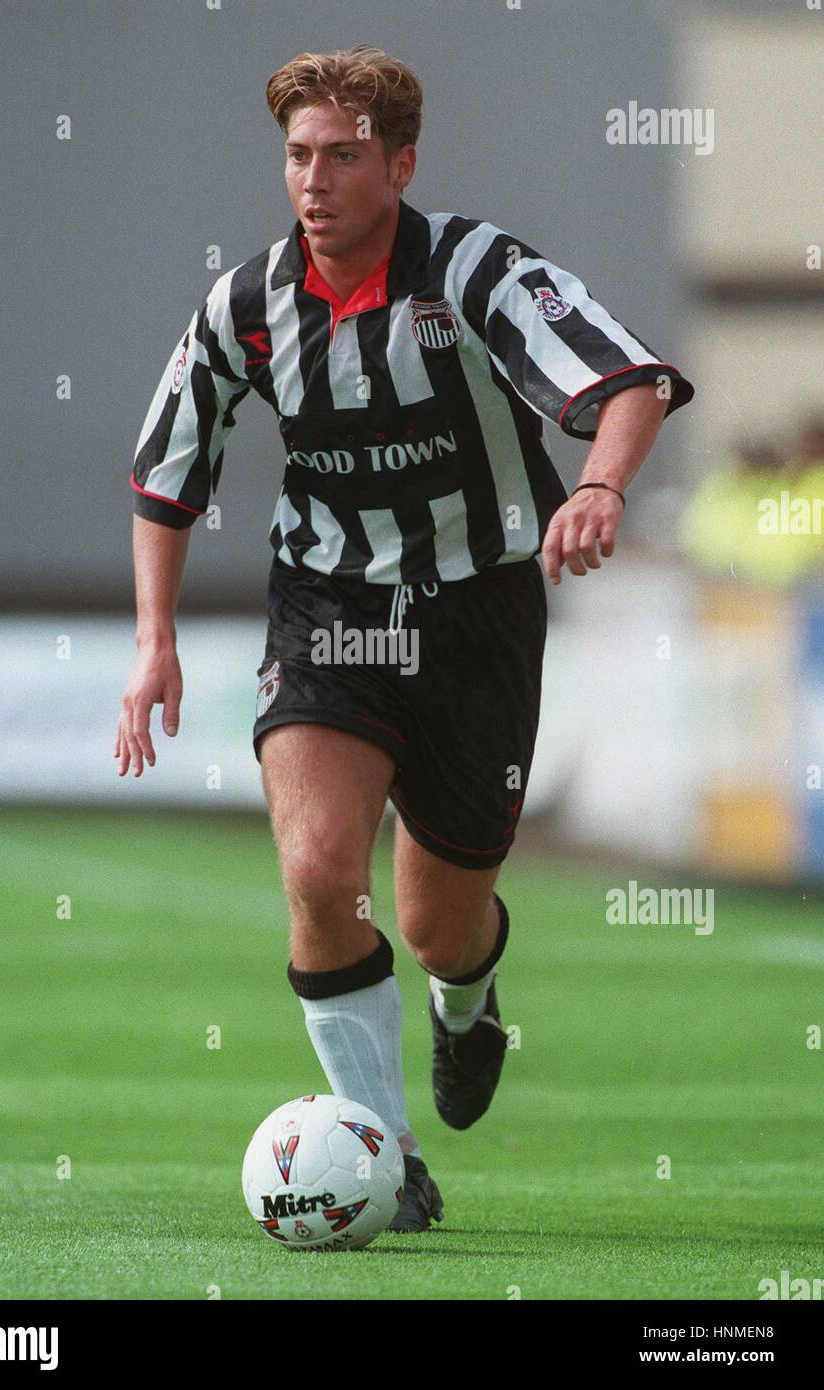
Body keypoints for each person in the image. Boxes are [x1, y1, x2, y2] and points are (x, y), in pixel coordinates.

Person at [116, 45, 694, 1233]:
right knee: (321, 870)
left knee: (437, 921)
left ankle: (467, 1005)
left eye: (340, 155)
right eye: (296, 156)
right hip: (325, 606)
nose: (313, 181)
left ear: (399, 163)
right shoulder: (245, 305)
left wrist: (600, 488)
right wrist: (152, 639)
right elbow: (168, 474)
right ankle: (389, 1152)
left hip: (477, 613)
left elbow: (628, 380)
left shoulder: (478, 272)